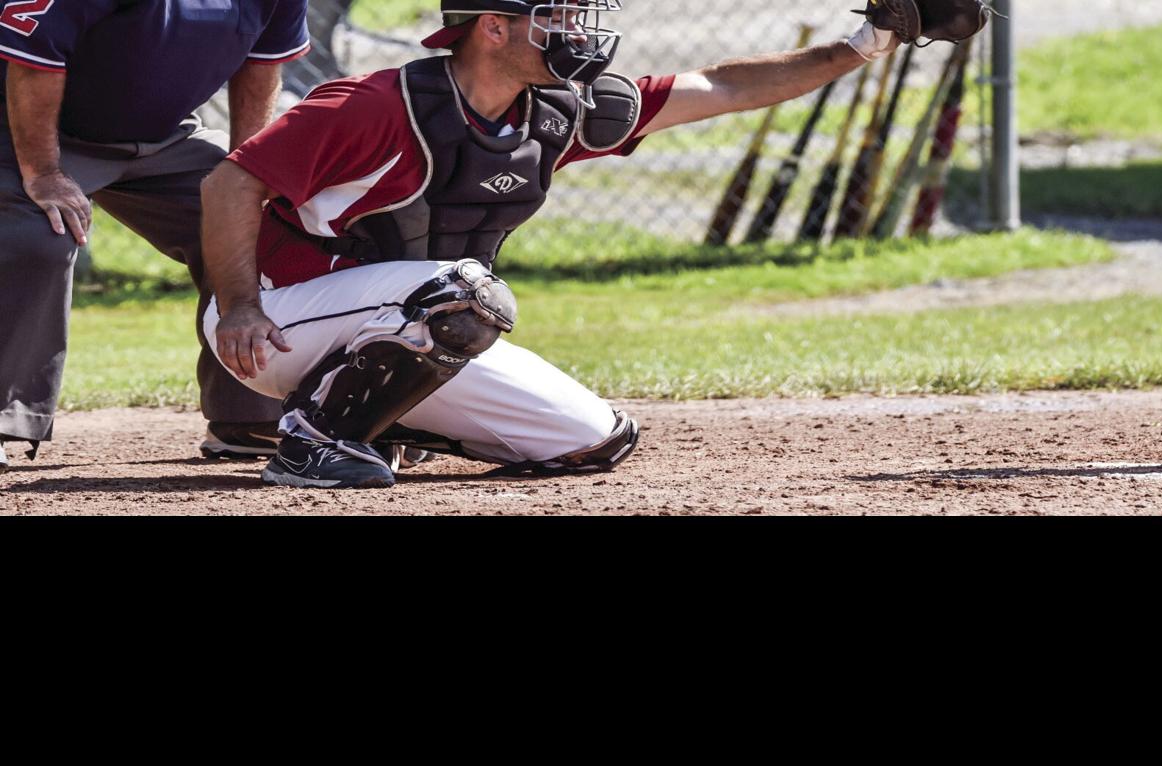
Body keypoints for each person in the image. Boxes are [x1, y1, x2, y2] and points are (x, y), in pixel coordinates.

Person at [202, 0, 911, 489]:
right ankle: (316, 439)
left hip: (400, 318)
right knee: (464, 290)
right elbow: (230, 184)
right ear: (493, 28)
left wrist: (865, 43)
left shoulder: (557, 113)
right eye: (554, 16)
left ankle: (374, 418)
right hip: (274, 320)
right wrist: (237, 306)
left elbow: (721, 85)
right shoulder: (371, 104)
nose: (576, 29)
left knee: (592, 438)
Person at [0, 0, 311, 469]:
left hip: (167, 138)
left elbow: (260, 66)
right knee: (38, 239)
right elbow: (34, 63)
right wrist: (43, 173)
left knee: (261, 230)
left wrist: (250, 180)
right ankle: (7, 415)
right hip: (33, 134)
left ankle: (250, 417)